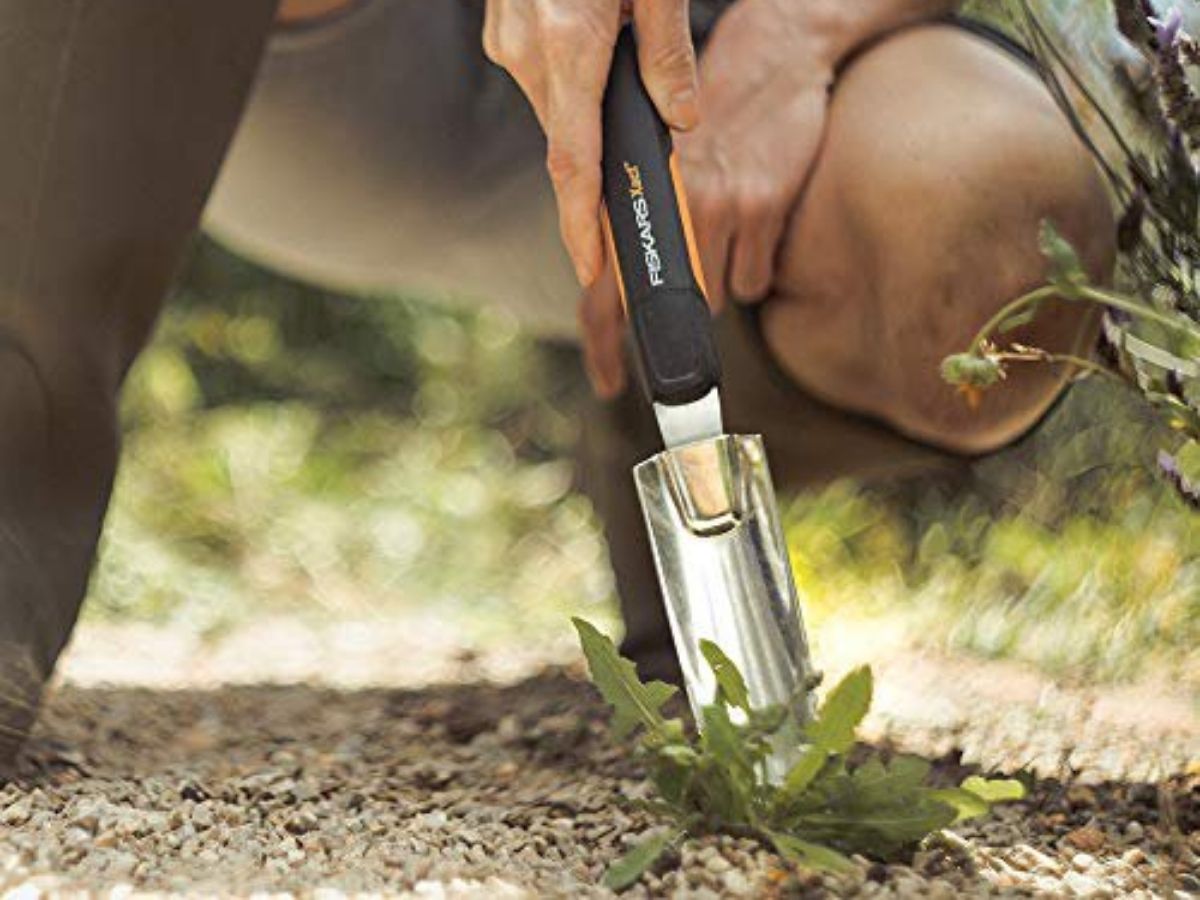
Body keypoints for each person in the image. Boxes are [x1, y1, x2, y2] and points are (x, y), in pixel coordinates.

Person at [0, 0, 1113, 764]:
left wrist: (792, 32)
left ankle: (666, 425)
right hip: (296, 61)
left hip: (743, 89)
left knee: (998, 232)